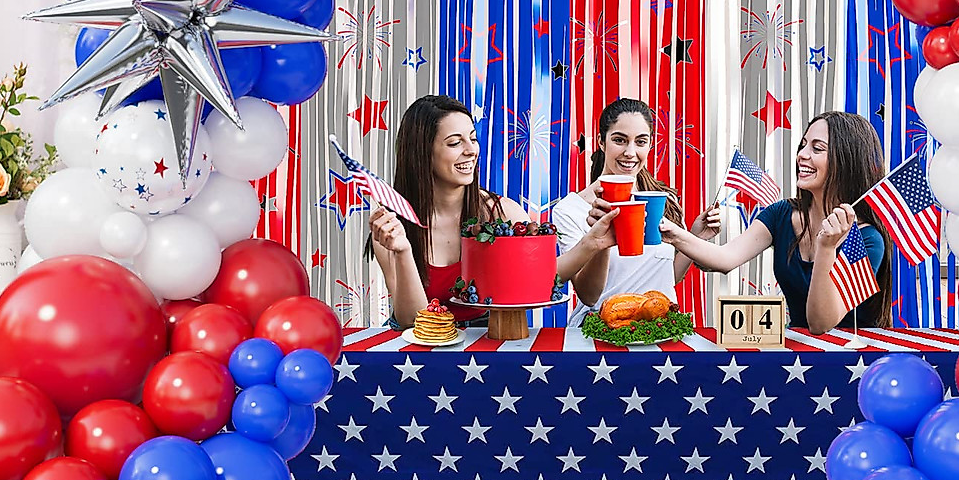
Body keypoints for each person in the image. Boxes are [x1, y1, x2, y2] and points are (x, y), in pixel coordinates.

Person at [368, 94, 616, 328]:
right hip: (420, 349)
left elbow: (539, 276)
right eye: (455, 142)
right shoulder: (393, 226)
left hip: (486, 337)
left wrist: (591, 243)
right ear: (422, 153)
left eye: (473, 139)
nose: (471, 150)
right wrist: (402, 251)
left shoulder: (501, 212)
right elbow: (412, 321)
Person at [662, 112, 893, 332]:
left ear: (846, 162)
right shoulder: (781, 214)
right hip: (795, 359)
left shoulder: (867, 239)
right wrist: (673, 232)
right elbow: (725, 258)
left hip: (851, 362)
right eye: (803, 145)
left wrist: (826, 247)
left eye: (817, 148)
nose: (802, 154)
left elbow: (821, 323)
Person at [552, 98, 721, 325]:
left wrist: (695, 236)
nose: (630, 152)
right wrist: (601, 240)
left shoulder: (662, 199)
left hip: (659, 326)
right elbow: (589, 296)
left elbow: (667, 276)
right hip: (601, 330)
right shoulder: (571, 209)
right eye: (620, 140)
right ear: (602, 142)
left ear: (650, 145)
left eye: (640, 142)